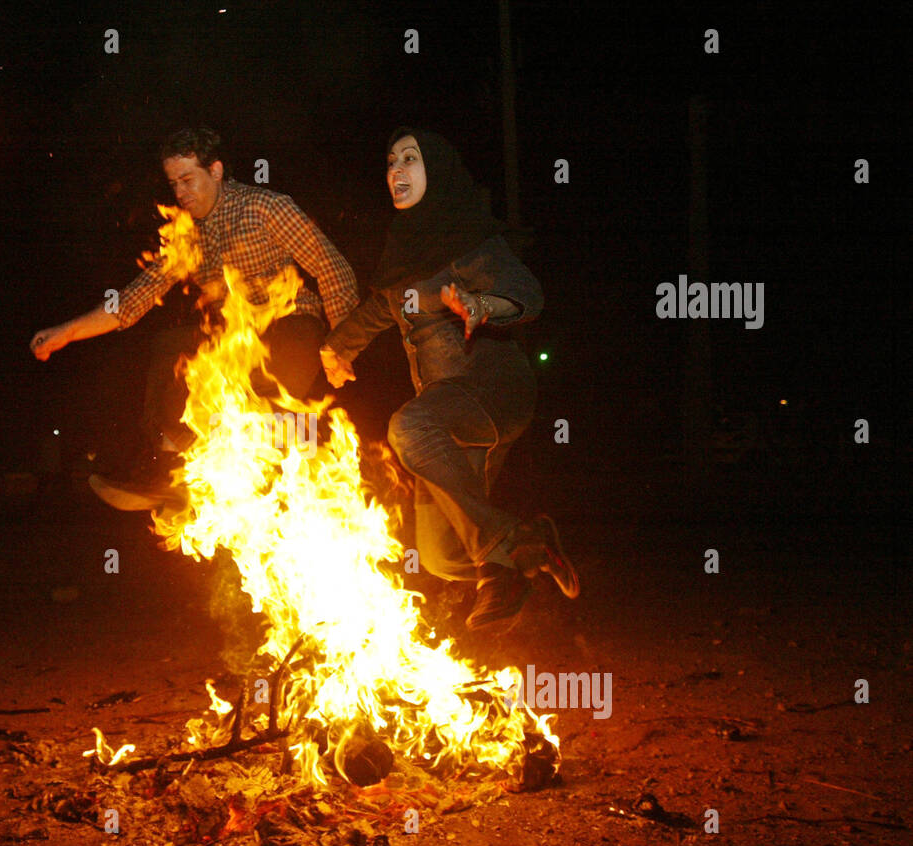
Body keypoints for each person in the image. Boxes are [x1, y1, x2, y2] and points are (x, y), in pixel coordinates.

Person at [320, 128, 578, 630]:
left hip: (491, 390)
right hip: (451, 422)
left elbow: (527, 293)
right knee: (438, 558)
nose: (397, 170)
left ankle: (508, 546)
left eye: (411, 160)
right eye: (391, 161)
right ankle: (525, 551)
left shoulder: (469, 242)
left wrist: (481, 305)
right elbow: (381, 307)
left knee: (407, 427)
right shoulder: (405, 254)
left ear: (436, 172)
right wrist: (339, 346)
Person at [30, 127, 359, 508]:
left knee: (266, 370)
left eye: (188, 180)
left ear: (216, 171)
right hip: (229, 340)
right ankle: (170, 466)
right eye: (174, 184)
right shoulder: (184, 235)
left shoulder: (267, 207)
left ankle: (272, 450)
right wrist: (66, 332)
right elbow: (136, 298)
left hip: (290, 325)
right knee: (169, 347)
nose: (181, 193)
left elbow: (332, 267)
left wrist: (342, 345)